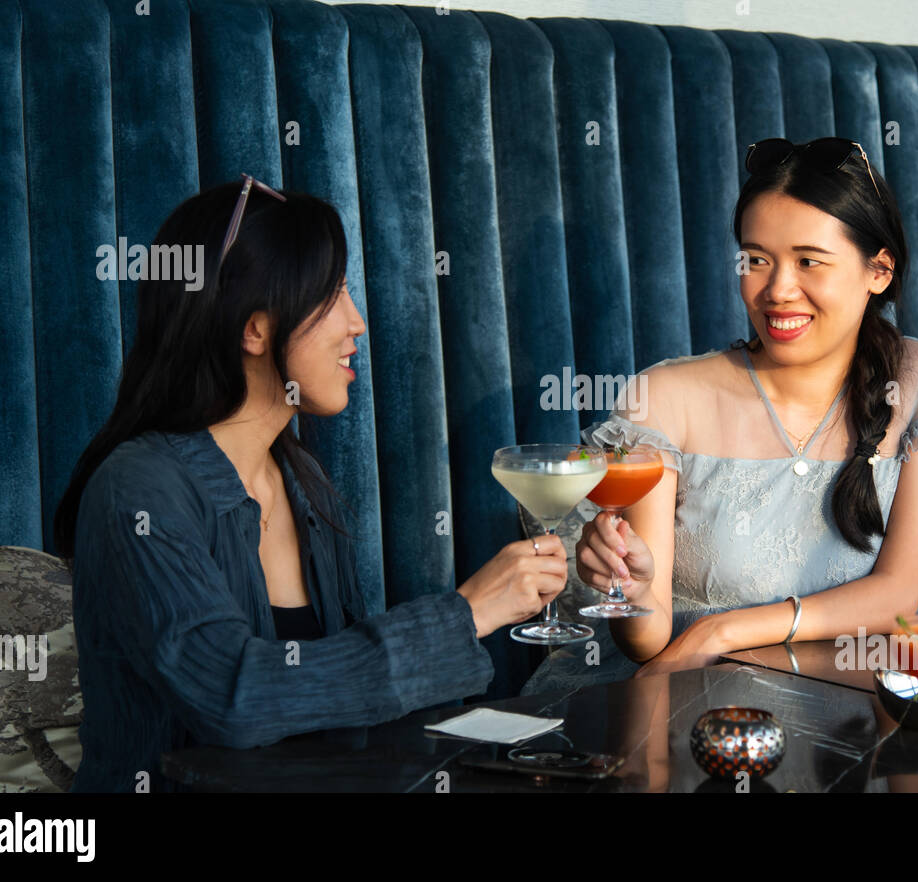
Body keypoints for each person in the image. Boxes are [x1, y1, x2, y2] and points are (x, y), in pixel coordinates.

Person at [54, 176, 568, 792]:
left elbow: (333, 699)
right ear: (254, 330)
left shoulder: (304, 483)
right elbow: (233, 698)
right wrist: (464, 614)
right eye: (332, 294)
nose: (356, 323)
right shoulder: (136, 491)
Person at [523, 137, 918, 694]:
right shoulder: (661, 396)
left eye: (809, 261)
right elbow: (647, 643)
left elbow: (897, 593)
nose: (777, 291)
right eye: (756, 260)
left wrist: (721, 631)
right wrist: (633, 588)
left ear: (879, 270)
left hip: (858, 692)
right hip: (693, 698)